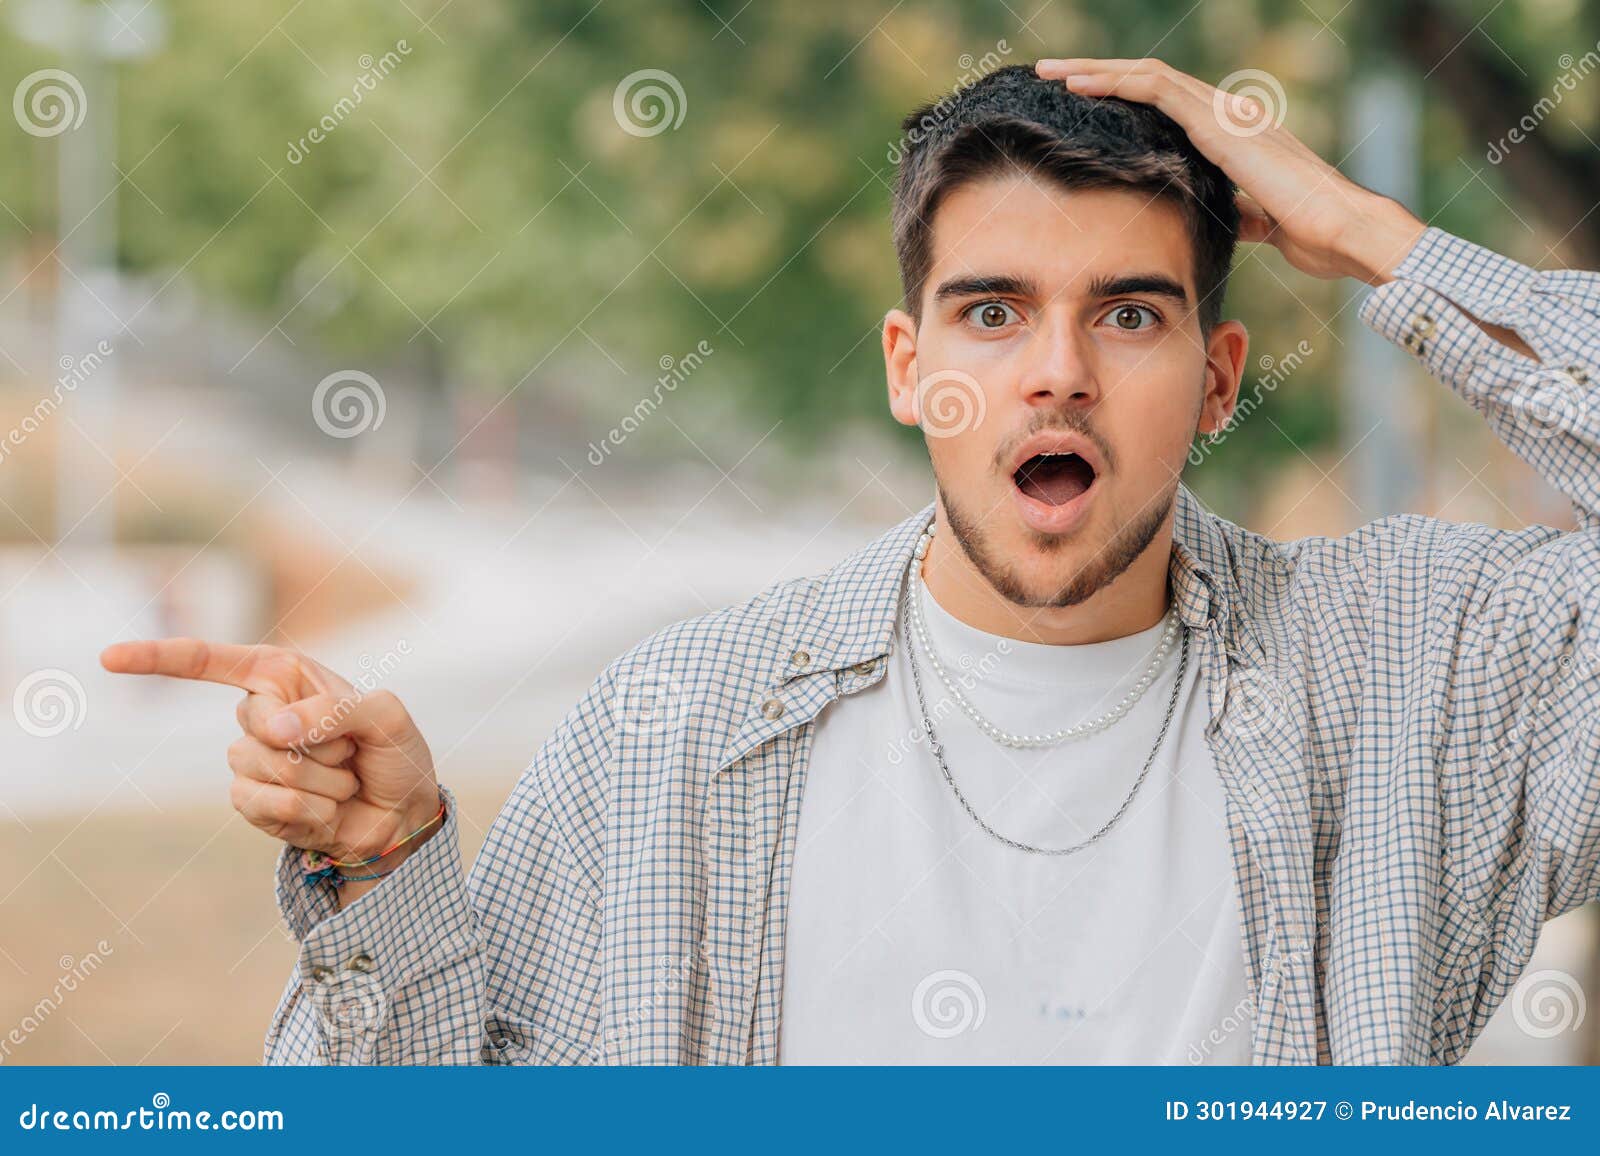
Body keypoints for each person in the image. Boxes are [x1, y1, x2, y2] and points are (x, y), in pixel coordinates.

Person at [101, 60, 1599, 1065]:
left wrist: (1375, 239)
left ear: (1219, 382)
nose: (1056, 376)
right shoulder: (673, 737)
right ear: (907, 364)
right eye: (994, 312)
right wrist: (385, 875)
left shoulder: (1426, 670)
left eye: (1130, 316)